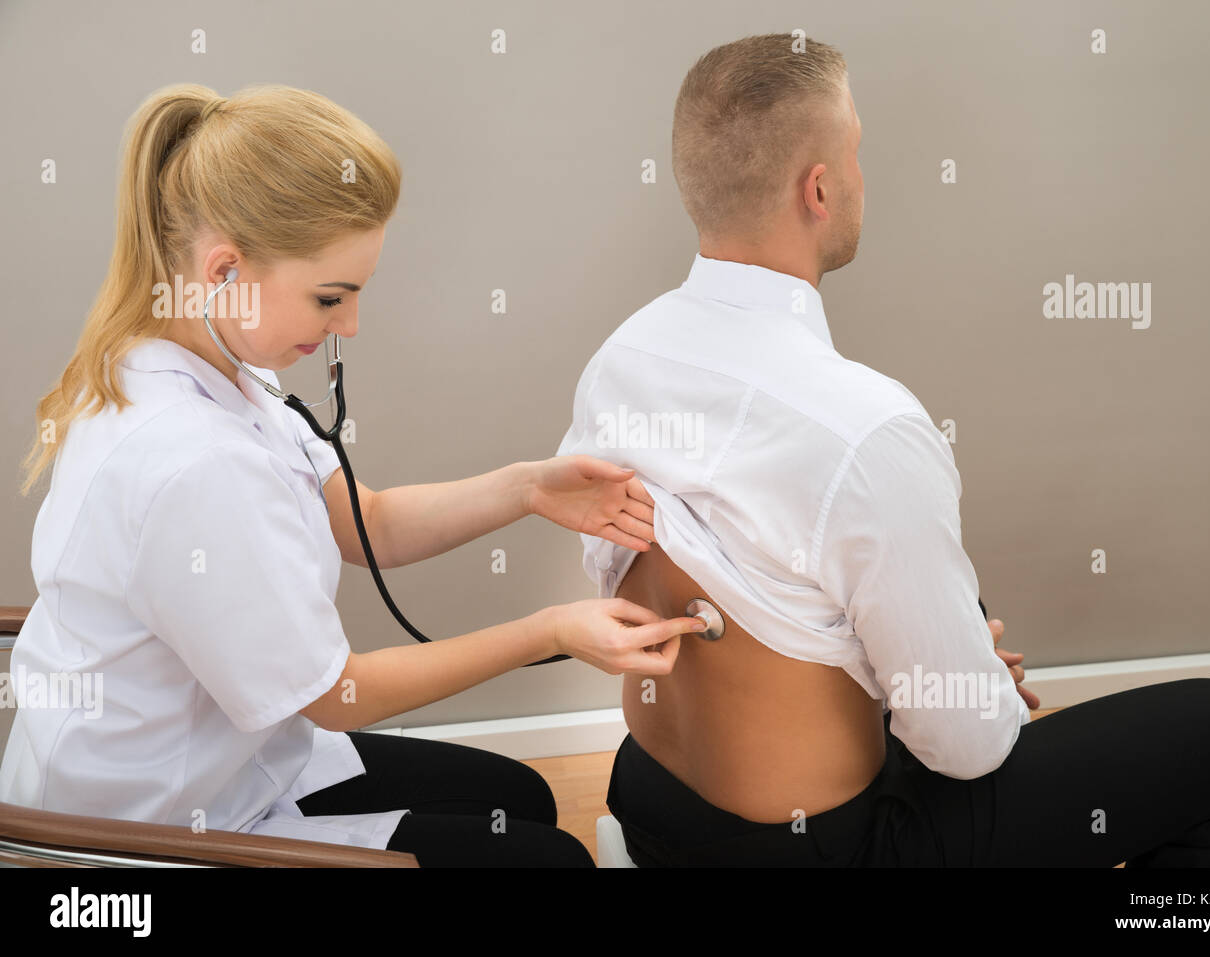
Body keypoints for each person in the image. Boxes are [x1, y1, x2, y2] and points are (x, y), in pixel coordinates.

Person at [555, 34, 1210, 866]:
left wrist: (940, 670)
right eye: (858, 152)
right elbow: (968, 749)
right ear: (821, 189)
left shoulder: (621, 360)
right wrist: (967, 686)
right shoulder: (865, 428)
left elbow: (703, 589)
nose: (864, 174)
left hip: (654, 800)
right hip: (827, 849)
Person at [0, 82, 705, 867]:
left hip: (239, 761)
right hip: (143, 830)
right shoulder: (189, 460)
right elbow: (339, 696)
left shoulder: (220, 365)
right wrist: (549, 630)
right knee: (549, 860)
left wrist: (529, 487)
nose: (351, 325)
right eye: (331, 297)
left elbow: (370, 524)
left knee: (524, 801)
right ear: (224, 269)